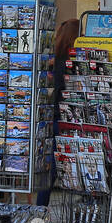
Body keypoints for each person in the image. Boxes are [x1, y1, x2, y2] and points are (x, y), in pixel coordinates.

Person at [41, 19, 82, 208]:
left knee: (51, 171)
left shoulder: (53, 62)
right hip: (64, 122)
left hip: (55, 119)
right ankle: (41, 210)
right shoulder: (67, 64)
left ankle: (40, 210)